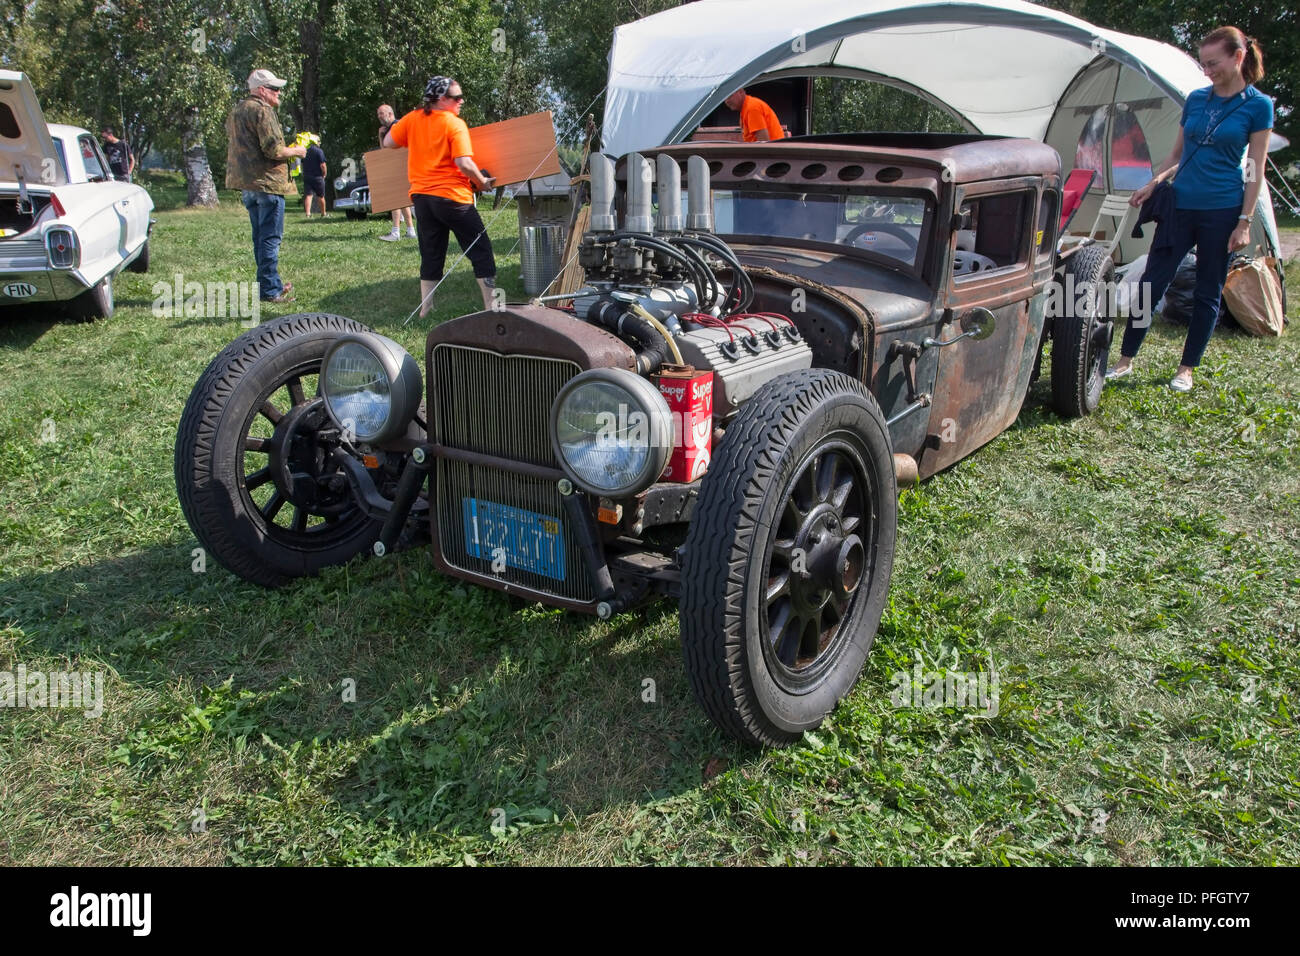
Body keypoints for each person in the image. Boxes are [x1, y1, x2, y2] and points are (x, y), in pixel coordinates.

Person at [1108, 27, 1272, 393]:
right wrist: (1154, 182)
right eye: (1203, 64)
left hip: (1223, 210)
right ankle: (1125, 359)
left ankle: (1186, 368)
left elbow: (1255, 168)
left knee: (1207, 291)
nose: (1208, 71)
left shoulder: (1258, 105)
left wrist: (1245, 221)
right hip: (1180, 207)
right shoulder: (1197, 100)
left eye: (1214, 63)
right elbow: (1177, 155)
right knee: (1151, 284)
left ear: (1238, 57)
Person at [383, 76, 496, 316]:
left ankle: (426, 309)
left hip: (422, 199)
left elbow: (388, 142)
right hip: (453, 197)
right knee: (481, 249)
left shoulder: (412, 119)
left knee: (431, 253)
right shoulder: (454, 124)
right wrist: (482, 181)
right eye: (456, 97)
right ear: (441, 99)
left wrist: (400, 124)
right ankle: (491, 307)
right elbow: (464, 163)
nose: (461, 101)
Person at [225, 68, 306, 304]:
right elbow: (274, 149)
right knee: (270, 238)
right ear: (262, 90)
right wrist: (297, 151)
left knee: (260, 239)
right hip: (267, 185)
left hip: (248, 187)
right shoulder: (263, 110)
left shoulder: (236, 111)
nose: (279, 93)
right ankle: (270, 290)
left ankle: (270, 285)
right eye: (275, 89)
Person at [376, 104, 417, 241]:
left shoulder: (397, 126)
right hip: (398, 167)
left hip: (401, 168)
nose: (379, 117)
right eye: (378, 114)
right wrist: (381, 135)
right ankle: (410, 230)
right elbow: (385, 151)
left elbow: (395, 150)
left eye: (381, 113)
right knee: (402, 200)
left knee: (395, 199)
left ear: (389, 113)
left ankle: (395, 232)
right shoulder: (388, 129)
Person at [301, 135, 327, 218]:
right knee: (321, 196)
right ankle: (323, 213)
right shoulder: (319, 151)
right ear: (316, 142)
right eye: (319, 141)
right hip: (318, 177)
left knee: (308, 195)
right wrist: (324, 174)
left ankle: (308, 214)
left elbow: (302, 164)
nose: (320, 143)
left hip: (307, 176)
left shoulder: (305, 151)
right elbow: (323, 165)